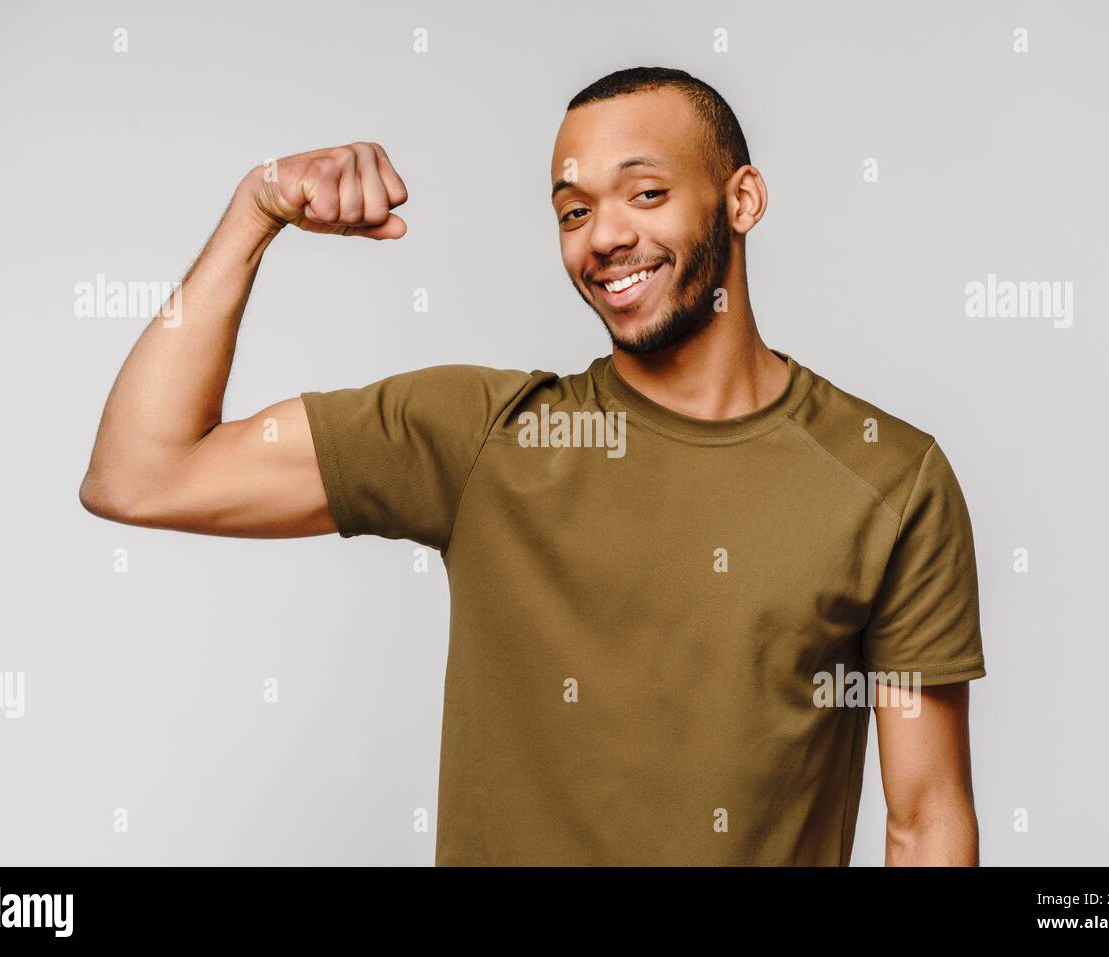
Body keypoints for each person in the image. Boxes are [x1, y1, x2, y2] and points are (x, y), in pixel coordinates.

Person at [80, 66, 986, 866]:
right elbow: (140, 472)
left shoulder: (887, 480)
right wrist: (254, 212)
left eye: (645, 194)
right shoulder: (481, 437)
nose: (603, 238)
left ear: (741, 199)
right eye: (574, 211)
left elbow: (926, 819)